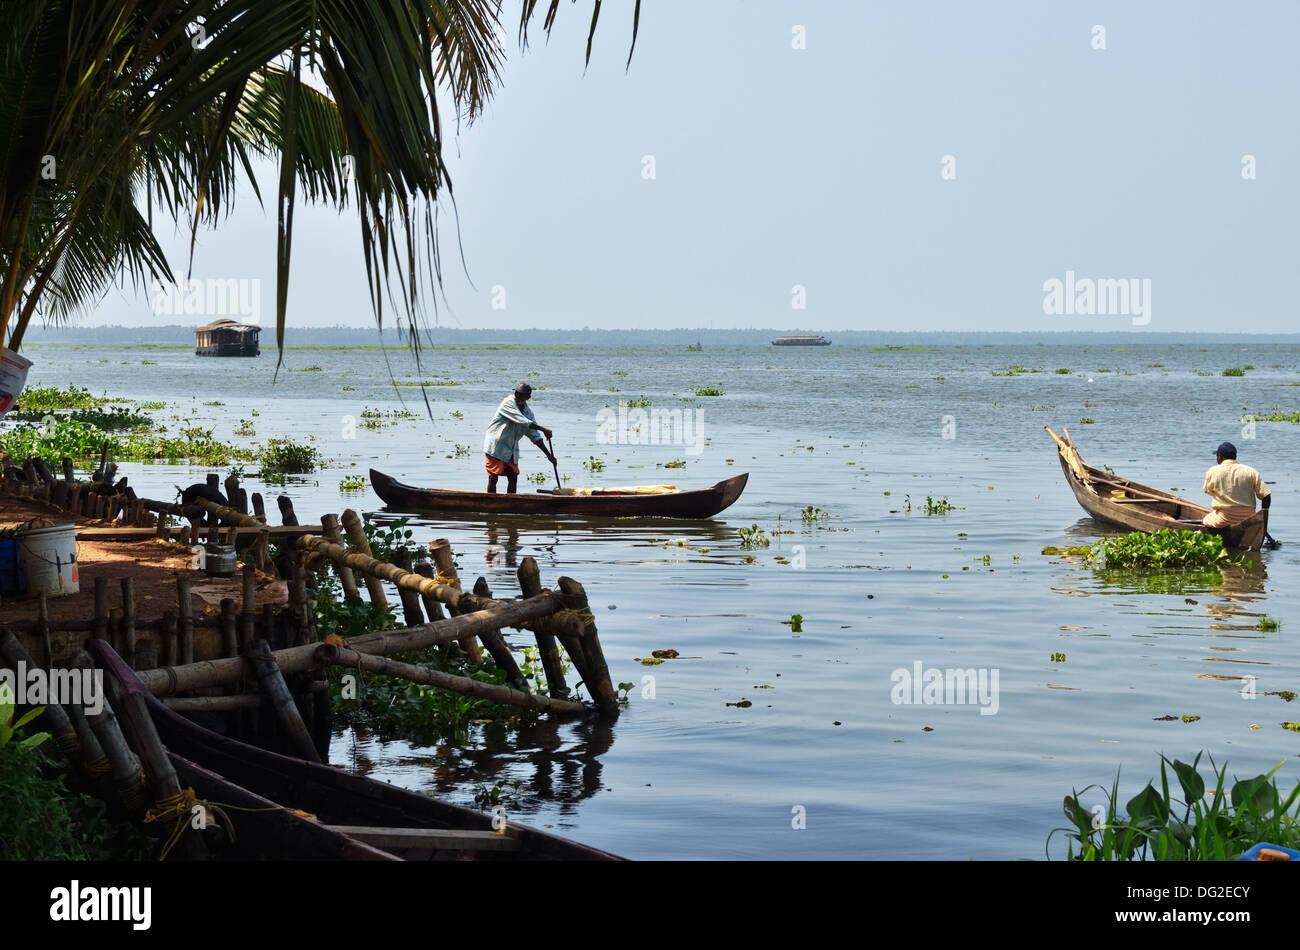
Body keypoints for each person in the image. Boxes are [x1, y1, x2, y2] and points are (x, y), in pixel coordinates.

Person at [483, 383, 554, 494]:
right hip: (496, 446)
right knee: (493, 476)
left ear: (527, 397)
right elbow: (523, 421)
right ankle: (490, 503)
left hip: (510, 448)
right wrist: (544, 429)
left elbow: (534, 435)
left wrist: (549, 455)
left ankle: (511, 504)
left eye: (520, 394)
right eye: (516, 392)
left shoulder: (527, 412)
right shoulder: (508, 403)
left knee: (513, 476)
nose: (516, 394)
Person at [1202, 441, 1270, 528]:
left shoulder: (1213, 471)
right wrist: (1262, 517)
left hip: (1224, 519)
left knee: (1205, 520)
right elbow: (1266, 496)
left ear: (1219, 457)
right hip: (1248, 518)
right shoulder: (1251, 471)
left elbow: (1208, 491)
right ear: (1235, 457)